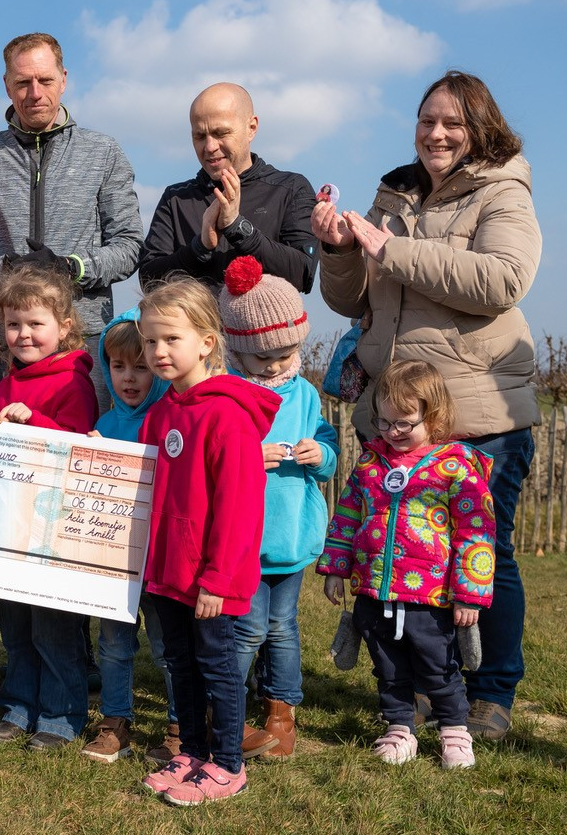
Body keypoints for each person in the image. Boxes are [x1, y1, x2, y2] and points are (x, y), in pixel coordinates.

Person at [314, 70, 540, 740]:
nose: (436, 134)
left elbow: (503, 280)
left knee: (481, 550)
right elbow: (354, 301)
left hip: (478, 414)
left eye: (452, 123)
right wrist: (339, 248)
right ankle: (418, 685)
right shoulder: (396, 192)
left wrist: (396, 248)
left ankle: (492, 693)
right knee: (408, 550)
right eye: (426, 121)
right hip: (401, 414)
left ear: (480, 129)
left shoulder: (503, 193)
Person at [135, 277, 280, 807]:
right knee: (180, 665)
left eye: (171, 339)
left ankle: (228, 764)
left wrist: (217, 578)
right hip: (169, 574)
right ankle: (192, 752)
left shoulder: (228, 416)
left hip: (211, 581)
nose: (158, 351)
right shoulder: (162, 411)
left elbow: (240, 509)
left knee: (218, 668)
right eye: (151, 341)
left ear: (206, 341)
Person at [317, 360, 495, 769]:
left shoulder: (457, 469)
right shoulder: (369, 466)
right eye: (383, 421)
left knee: (439, 668)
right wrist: (335, 568)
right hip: (374, 590)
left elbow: (476, 533)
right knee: (388, 666)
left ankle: (454, 731)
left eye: (404, 423)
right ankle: (399, 727)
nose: (391, 432)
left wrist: (469, 593)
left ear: (433, 417)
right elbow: (347, 516)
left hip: (429, 597)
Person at [0, 31, 143, 408]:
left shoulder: (103, 152)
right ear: (7, 86)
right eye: (23, 82)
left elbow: (128, 245)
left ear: (64, 79)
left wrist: (70, 268)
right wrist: (9, 269)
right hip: (8, 340)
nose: (35, 93)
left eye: (45, 80)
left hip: (87, 337)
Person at [216, 255, 339, 761]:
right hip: (243, 539)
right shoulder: (226, 394)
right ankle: (226, 710)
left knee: (283, 627)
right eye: (263, 356)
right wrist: (247, 457)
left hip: (289, 533)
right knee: (247, 629)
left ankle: (282, 711)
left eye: (285, 353)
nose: (275, 365)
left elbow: (329, 450)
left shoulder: (306, 395)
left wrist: (321, 454)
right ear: (237, 350)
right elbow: (213, 456)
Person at [0, 266, 99, 751]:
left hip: (54, 524)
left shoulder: (74, 380)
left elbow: (80, 448)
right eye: (13, 324)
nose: (23, 334)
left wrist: (37, 421)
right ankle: (18, 707)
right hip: (12, 521)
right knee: (17, 627)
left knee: (55, 629)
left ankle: (61, 715)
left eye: (35, 323)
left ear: (64, 325)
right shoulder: (8, 382)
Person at [79, 309, 175, 765]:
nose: (129, 378)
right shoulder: (105, 423)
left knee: (166, 645)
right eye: (118, 367)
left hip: (160, 561)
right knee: (114, 644)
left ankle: (180, 725)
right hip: (113, 559)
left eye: (141, 366)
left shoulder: (172, 420)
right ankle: (116, 721)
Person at [137, 83, 317, 294]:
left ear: (251, 128)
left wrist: (237, 227)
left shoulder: (290, 189)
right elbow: (149, 281)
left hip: (265, 327)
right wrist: (199, 248)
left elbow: (303, 274)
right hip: (196, 327)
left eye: (220, 133)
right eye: (199, 136)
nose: (210, 147)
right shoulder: (176, 199)